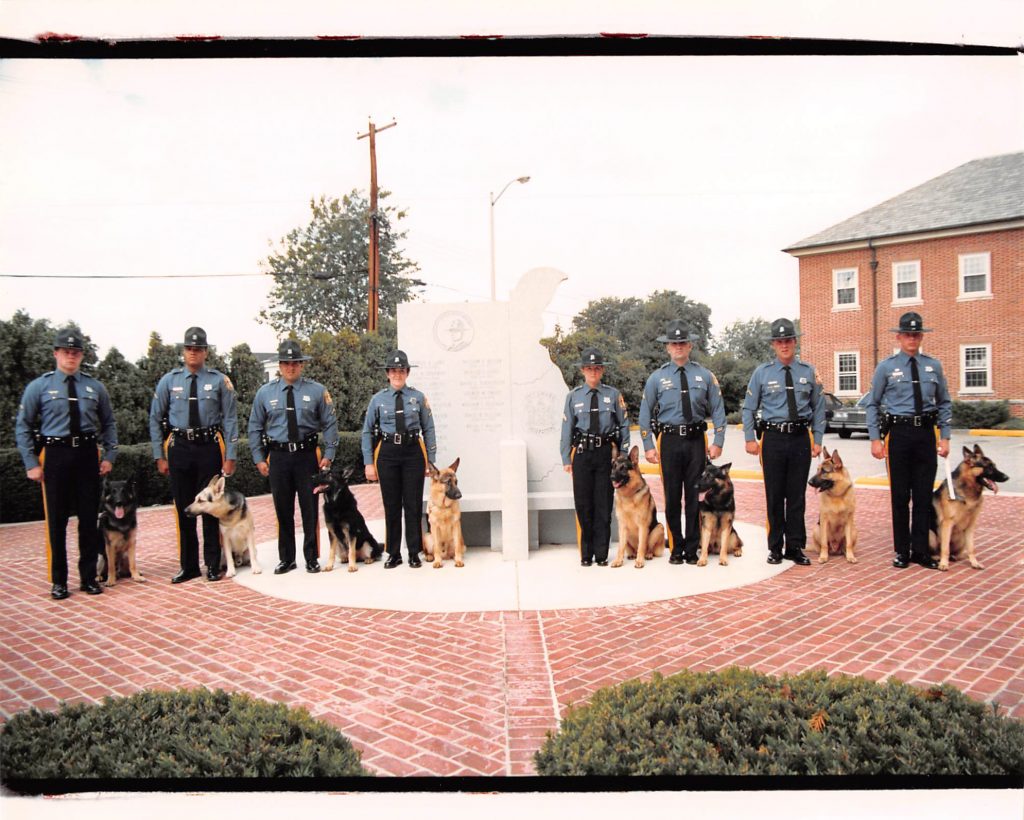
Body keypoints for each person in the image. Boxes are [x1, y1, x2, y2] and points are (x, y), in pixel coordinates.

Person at [15, 327, 118, 600]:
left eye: (75, 352)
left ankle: (88, 578)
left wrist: (109, 456)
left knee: (87, 519)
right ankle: (59, 581)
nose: (70, 356)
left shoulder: (94, 387)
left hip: (86, 454)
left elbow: (108, 423)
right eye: (66, 351)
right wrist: (30, 463)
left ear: (82, 355)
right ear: (56, 353)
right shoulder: (40, 387)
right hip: (56, 455)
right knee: (57, 521)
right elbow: (23, 427)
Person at [149, 326, 239, 583]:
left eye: (198, 349)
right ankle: (188, 566)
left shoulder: (219, 380)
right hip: (180, 448)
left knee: (211, 508)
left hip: (209, 447)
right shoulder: (169, 381)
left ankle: (212, 564)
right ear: (183, 350)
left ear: (205, 352)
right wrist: (159, 455)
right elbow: (156, 418)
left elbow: (230, 418)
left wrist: (230, 454)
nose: (193, 353)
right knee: (183, 509)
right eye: (189, 348)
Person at [866, 311, 951, 570]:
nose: (912, 339)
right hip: (899, 435)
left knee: (924, 494)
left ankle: (921, 551)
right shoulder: (887, 367)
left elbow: (945, 402)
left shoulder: (933, 365)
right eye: (907, 334)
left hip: (926, 433)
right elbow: (873, 403)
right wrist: (875, 438)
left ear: (921, 336)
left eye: (916, 334)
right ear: (899, 337)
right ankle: (902, 550)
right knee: (900, 495)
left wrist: (945, 436)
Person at [638, 320, 726, 565]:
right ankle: (676, 547)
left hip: (696, 440)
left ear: (690, 345)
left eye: (682, 343)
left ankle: (692, 547)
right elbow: (645, 413)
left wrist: (718, 440)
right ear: (667, 347)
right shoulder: (657, 378)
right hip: (670, 441)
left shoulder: (705, 375)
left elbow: (718, 409)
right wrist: (648, 445)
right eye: (673, 343)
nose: (678, 347)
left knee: (696, 495)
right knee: (672, 495)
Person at [249, 340, 338, 575]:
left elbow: (329, 423)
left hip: (306, 456)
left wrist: (329, 454)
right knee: (283, 509)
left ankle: (311, 557)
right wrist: (259, 457)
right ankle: (286, 558)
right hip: (278, 457)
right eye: (286, 363)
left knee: (309, 508)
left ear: (301, 365)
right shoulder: (265, 393)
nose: (290, 368)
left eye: (295, 363)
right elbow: (255, 427)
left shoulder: (316, 391)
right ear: (279, 365)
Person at [741, 318, 825, 566]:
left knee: (797, 495)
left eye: (788, 340)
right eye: (779, 341)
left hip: (800, 437)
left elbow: (818, 408)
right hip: (773, 438)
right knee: (775, 495)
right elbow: (748, 408)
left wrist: (817, 438)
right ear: (773, 345)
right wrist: (749, 438)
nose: (784, 345)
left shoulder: (808, 372)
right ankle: (775, 547)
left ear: (795, 342)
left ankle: (795, 547)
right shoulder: (762, 373)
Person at [361, 350, 436, 569]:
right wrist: (368, 462)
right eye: (393, 371)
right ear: (387, 373)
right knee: (391, 505)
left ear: (407, 372)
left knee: (412, 504)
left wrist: (430, 460)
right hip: (388, 453)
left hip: (413, 452)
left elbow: (428, 429)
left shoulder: (418, 397)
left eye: (401, 370)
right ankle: (393, 553)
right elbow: (367, 432)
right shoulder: (378, 399)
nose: (397, 374)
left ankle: (414, 552)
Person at [559, 347, 631, 567]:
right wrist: (565, 458)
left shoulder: (613, 395)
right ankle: (585, 553)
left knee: (603, 504)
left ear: (602, 371)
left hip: (605, 455)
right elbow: (566, 428)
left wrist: (624, 455)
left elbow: (624, 424)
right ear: (582, 370)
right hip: (581, 454)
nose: (593, 372)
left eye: (597, 368)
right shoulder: (573, 396)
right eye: (589, 368)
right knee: (583, 504)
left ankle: (601, 554)